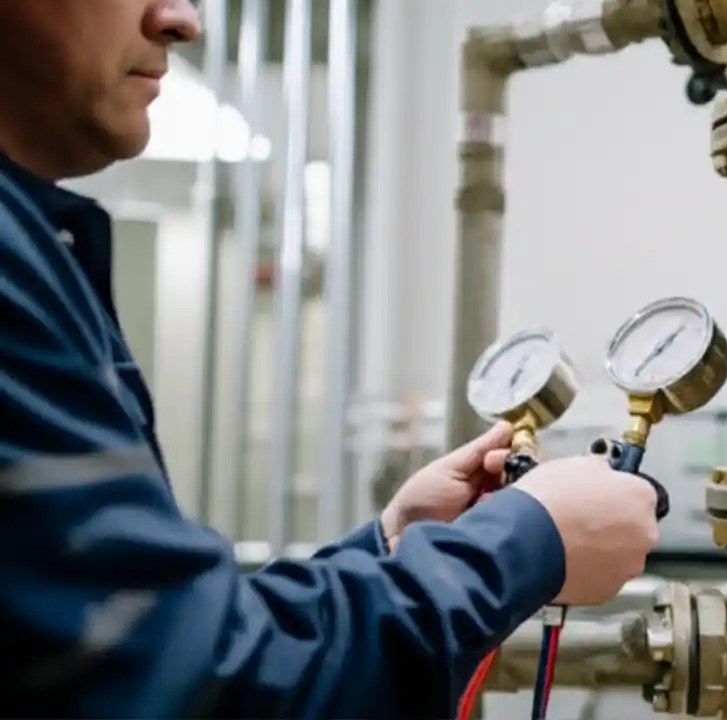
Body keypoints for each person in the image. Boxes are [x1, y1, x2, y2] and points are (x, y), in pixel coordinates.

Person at [0, 1, 661, 717]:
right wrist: (527, 543)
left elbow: (165, 635)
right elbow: (204, 688)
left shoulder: (39, 245)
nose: (181, 20)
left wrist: (388, 547)